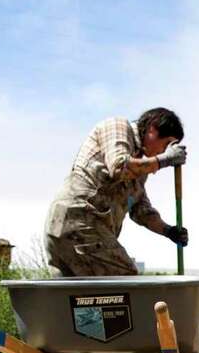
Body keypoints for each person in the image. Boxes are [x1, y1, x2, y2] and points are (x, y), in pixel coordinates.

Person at [45, 108, 189, 276]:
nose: (164, 152)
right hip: (80, 223)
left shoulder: (139, 172)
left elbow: (141, 211)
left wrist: (169, 231)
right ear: (153, 128)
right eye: (166, 145)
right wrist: (164, 160)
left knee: (79, 299)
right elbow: (119, 166)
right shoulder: (118, 127)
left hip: (75, 233)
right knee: (126, 281)